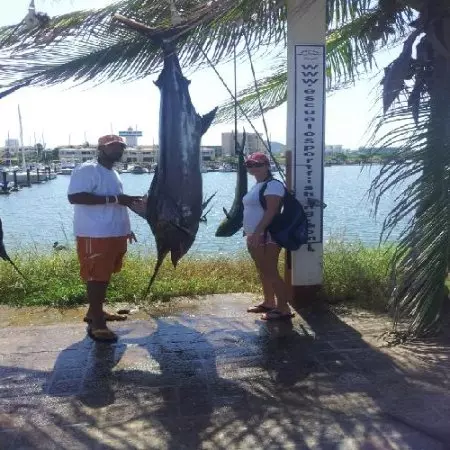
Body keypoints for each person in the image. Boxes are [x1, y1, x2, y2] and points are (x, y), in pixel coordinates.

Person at [67, 135, 143, 342]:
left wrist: (126, 228)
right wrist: (117, 199)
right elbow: (75, 197)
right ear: (100, 148)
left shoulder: (114, 173)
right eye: (112, 147)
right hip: (95, 233)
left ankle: (95, 312)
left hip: (114, 232)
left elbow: (117, 204)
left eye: (120, 147)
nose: (117, 150)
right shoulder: (88, 169)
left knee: (104, 275)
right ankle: (97, 325)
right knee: (96, 277)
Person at [243, 152, 294, 320]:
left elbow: (271, 212)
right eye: (250, 165)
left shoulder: (273, 185)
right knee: (262, 269)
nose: (253, 168)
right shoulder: (258, 185)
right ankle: (269, 302)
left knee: (270, 270)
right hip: (254, 234)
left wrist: (258, 232)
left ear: (267, 165)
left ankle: (283, 308)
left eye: (258, 164)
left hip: (267, 235)